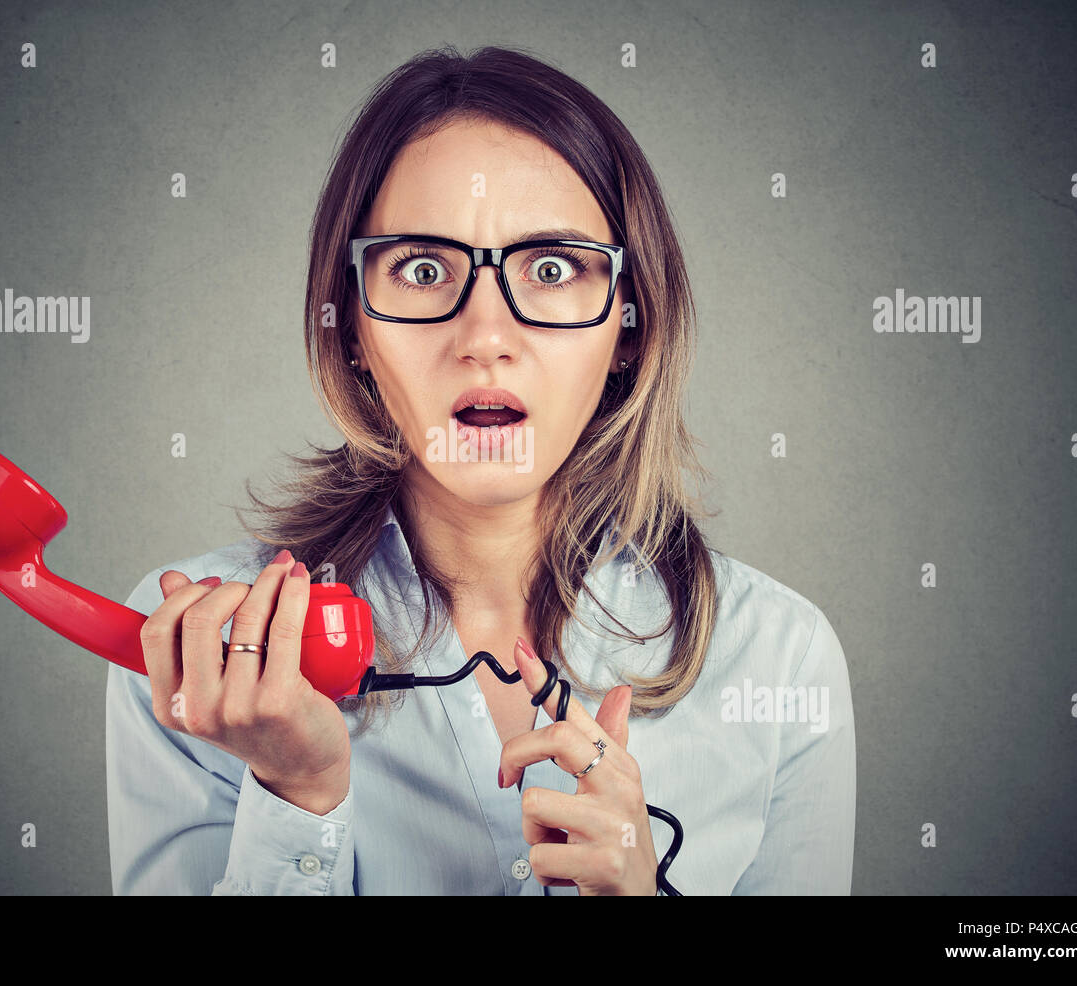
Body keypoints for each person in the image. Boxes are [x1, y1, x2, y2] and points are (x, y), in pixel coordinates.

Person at [106, 44, 855, 895]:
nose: (486, 337)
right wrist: (296, 800)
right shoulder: (193, 646)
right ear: (350, 327)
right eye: (424, 271)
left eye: (552, 267)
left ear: (629, 326)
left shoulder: (784, 663)